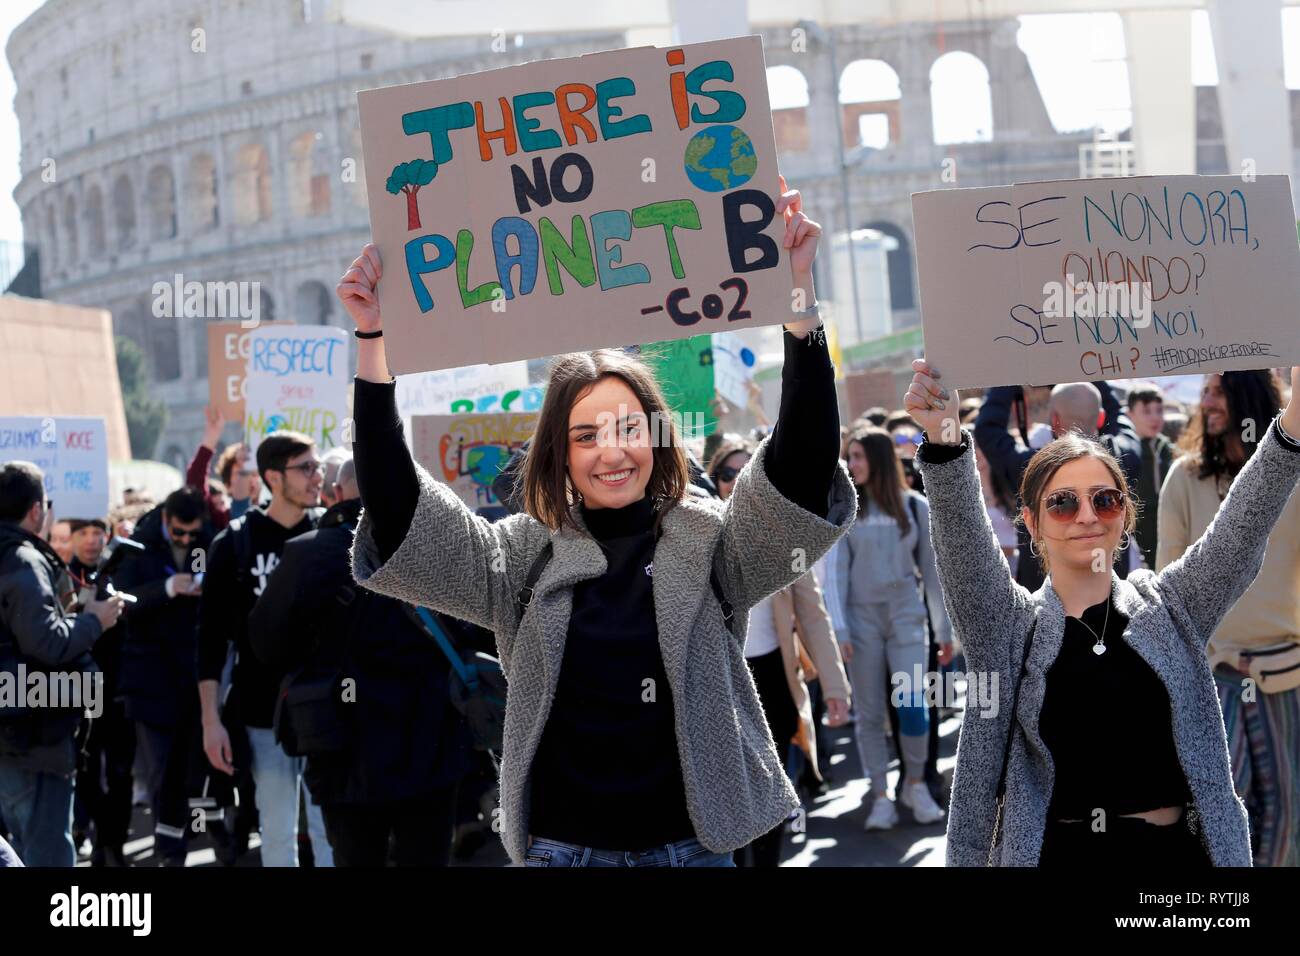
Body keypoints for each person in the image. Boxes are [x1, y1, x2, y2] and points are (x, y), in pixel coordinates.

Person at [336, 177, 856, 868]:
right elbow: (402, 513)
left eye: (627, 428)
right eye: (586, 436)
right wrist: (373, 342)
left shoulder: (708, 543)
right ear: (559, 453)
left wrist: (797, 299)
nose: (611, 451)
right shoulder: (518, 555)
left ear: (657, 438)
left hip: (694, 849)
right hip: (564, 852)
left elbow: (801, 469)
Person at [907, 357, 1300, 866]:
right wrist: (943, 442)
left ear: (1125, 515)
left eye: (1106, 499)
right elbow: (962, 543)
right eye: (1063, 503)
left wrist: (1293, 425)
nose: (1087, 515)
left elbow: (1241, 530)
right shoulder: (1009, 627)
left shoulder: (1170, 610)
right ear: (1030, 521)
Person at [249, 456, 474, 867]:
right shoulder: (441, 544)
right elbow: (478, 633)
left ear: (336, 493)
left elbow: (266, 645)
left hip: (342, 747)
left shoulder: (307, 555)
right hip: (432, 745)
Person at [1157, 370, 1300, 867]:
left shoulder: (1294, 475)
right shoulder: (1184, 476)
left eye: (1220, 390)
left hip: (1287, 675)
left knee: (1289, 819)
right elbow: (1167, 584)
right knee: (1215, 819)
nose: (1208, 401)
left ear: (1250, 397)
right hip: (1210, 677)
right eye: (1206, 392)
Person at [709, 438, 851, 866]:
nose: (735, 482)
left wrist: (835, 686)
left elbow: (812, 615)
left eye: (744, 473)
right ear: (714, 481)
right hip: (719, 678)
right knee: (727, 794)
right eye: (727, 474)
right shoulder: (694, 534)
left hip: (774, 675)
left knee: (771, 790)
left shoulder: (783, 538)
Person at [196, 431, 333, 867]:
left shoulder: (330, 536)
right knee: (276, 834)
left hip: (326, 710)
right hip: (260, 713)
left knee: (331, 831)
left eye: (318, 467)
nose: (318, 476)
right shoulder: (235, 542)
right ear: (274, 477)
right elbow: (210, 640)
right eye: (306, 468)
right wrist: (209, 721)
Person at [0, 461, 122, 866]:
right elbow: (47, 643)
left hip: (17, 731)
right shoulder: (21, 560)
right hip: (34, 735)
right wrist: (94, 621)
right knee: (47, 852)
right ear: (36, 510)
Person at [830, 425, 952, 830]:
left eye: (859, 456)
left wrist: (945, 631)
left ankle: (915, 783)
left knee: (913, 706)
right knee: (867, 713)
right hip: (861, 622)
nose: (852, 464)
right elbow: (836, 576)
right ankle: (880, 794)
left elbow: (934, 576)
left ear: (878, 459)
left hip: (906, 618)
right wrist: (841, 631)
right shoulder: (845, 510)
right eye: (851, 456)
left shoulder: (916, 506)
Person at [114, 487, 209, 866]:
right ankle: (169, 849)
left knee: (189, 770)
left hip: (192, 675)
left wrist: (201, 581)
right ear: (166, 521)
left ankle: (186, 838)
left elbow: (204, 564)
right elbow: (123, 599)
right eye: (179, 533)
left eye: (192, 533)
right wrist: (168, 589)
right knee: (160, 768)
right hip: (149, 680)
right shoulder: (139, 545)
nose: (186, 540)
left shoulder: (202, 541)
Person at [975, 379, 1141, 592]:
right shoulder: (1125, 458)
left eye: (1103, 501)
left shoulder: (1032, 469)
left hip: (1045, 611)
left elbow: (988, 430)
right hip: (1112, 606)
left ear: (1053, 420)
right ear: (1100, 417)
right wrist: (1089, 366)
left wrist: (1009, 375)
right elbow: (1119, 415)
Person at [66, 517, 135, 867]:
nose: (91, 541)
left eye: (97, 533)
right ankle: (99, 836)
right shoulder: (60, 577)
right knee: (87, 771)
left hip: (121, 689)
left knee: (122, 773)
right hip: (80, 694)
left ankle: (114, 843)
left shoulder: (122, 570)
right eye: (83, 534)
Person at [1126, 382, 1174, 570]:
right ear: (1130, 414)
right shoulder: (1127, 451)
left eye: (1159, 410)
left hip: (1164, 526)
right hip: (1137, 528)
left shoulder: (1167, 448)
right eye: (1146, 411)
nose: (1155, 417)